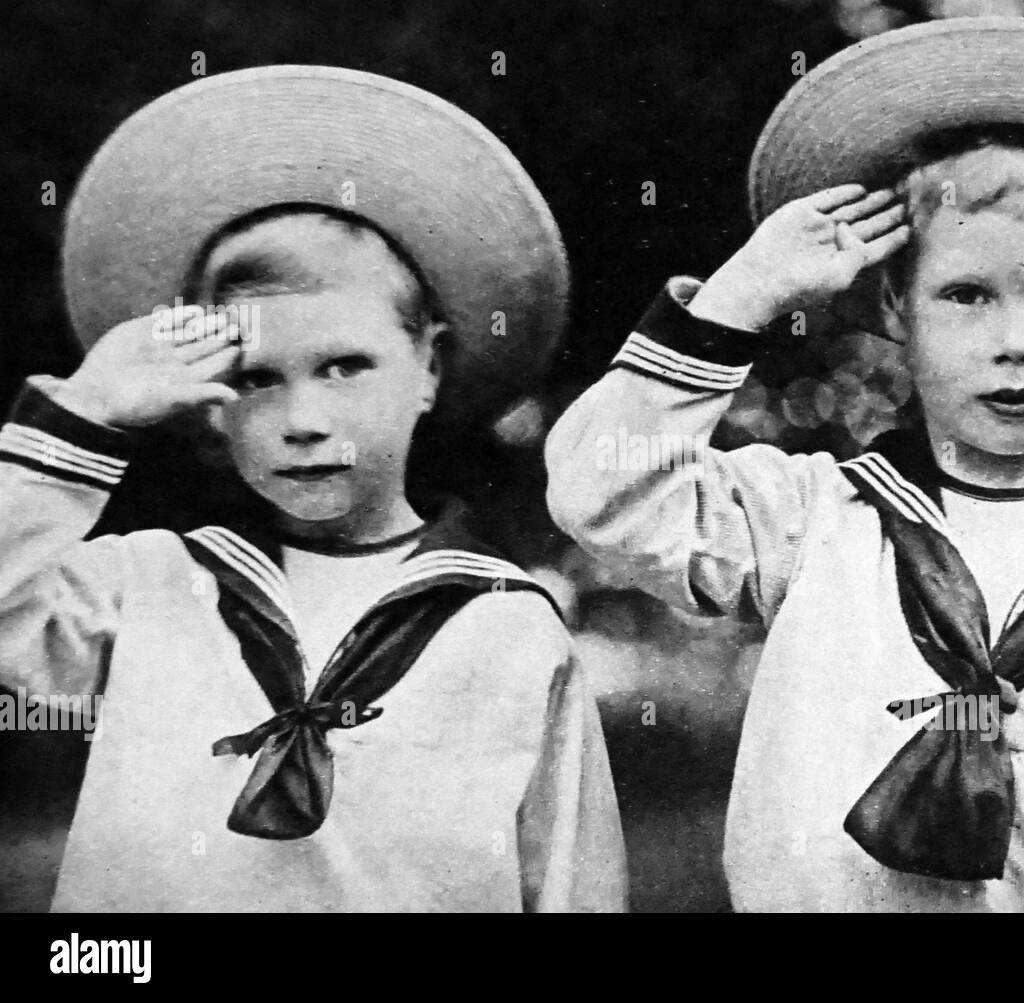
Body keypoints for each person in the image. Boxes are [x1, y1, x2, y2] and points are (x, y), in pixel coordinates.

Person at [546, 17, 1024, 911]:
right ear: (898, 310)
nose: (1016, 342)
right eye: (967, 296)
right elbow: (602, 491)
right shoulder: (815, 518)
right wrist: (742, 295)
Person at [0, 65, 626, 912]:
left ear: (428, 367)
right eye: (257, 379)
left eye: (344, 366)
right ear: (211, 406)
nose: (303, 417)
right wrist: (87, 411)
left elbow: (573, 882)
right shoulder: (143, 589)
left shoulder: (508, 622)